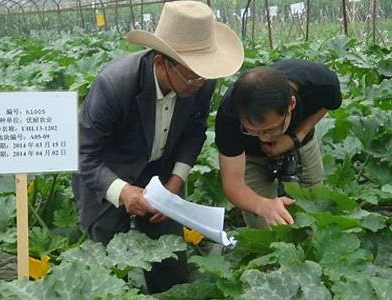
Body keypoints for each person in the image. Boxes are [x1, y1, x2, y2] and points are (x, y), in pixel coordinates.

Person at [72, 1, 243, 294]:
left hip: (160, 175)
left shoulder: (201, 81)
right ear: (162, 63)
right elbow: (83, 154)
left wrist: (175, 183)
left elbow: (193, 133)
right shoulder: (114, 85)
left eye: (204, 75)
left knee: (171, 265)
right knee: (107, 268)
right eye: (191, 75)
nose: (200, 83)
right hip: (109, 175)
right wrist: (123, 192)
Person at [215, 59, 342, 228]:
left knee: (314, 210)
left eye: (271, 130)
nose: (263, 138)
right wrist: (262, 205)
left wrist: (297, 136)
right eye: (251, 130)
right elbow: (233, 184)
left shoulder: (320, 81)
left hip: (300, 140)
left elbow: (330, 102)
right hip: (250, 155)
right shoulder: (229, 113)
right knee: (264, 229)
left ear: (291, 104)